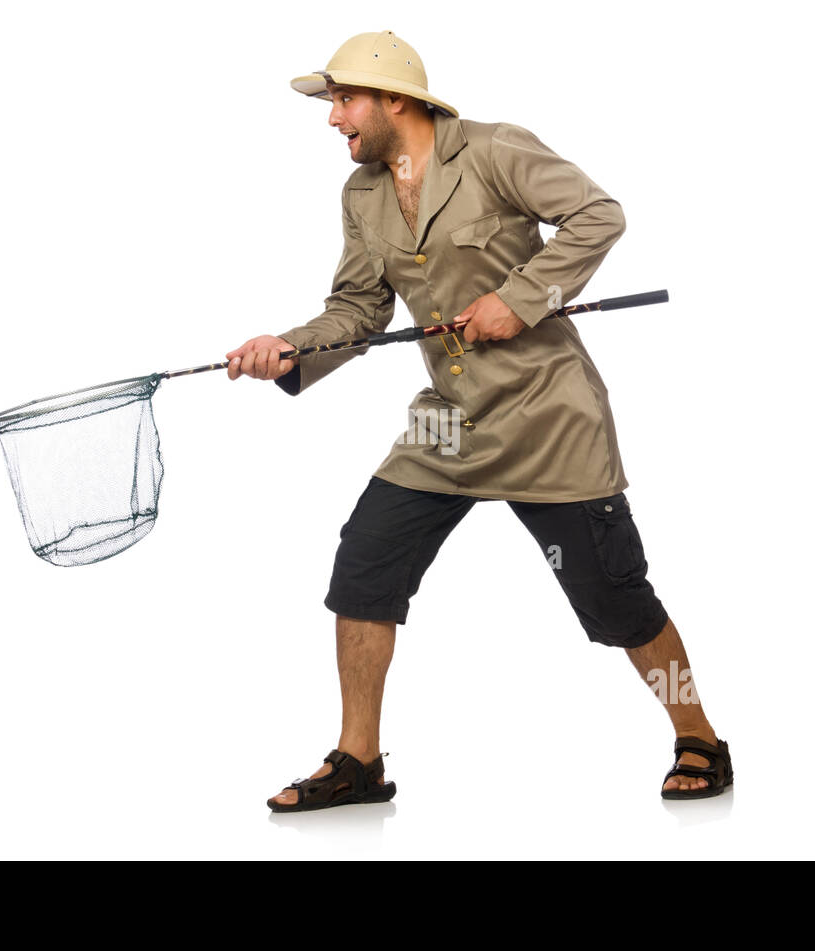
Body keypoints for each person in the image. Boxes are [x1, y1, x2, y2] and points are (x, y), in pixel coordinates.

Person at [226, 31, 733, 810]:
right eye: (331, 104)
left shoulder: (495, 151)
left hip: (548, 418)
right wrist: (287, 349)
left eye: (343, 100)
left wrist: (520, 298)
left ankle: (697, 734)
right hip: (450, 421)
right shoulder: (362, 193)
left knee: (617, 599)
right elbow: (359, 309)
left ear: (393, 98)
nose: (333, 119)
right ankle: (359, 760)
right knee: (366, 560)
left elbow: (599, 215)